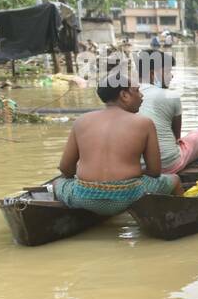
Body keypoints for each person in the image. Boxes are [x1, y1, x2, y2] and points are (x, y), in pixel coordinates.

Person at [53, 51, 181, 213]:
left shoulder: (81, 121)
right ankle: (178, 218)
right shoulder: (144, 122)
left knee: (58, 183)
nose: (141, 96)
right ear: (124, 95)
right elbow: (154, 172)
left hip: (84, 195)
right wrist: (131, 173)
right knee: (174, 180)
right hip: (129, 194)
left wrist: (85, 180)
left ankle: (69, 217)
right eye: (136, 91)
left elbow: (66, 168)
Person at [136, 49, 198, 175]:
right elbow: (176, 138)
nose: (171, 76)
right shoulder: (171, 96)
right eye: (168, 71)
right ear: (153, 74)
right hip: (168, 164)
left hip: (137, 165)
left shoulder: (127, 95)